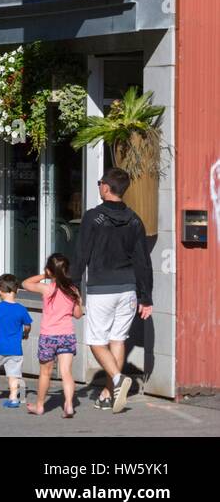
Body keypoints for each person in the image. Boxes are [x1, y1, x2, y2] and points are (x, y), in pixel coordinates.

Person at [71, 167, 153, 414]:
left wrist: (73, 287)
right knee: (117, 340)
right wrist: (145, 296)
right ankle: (108, 394)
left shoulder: (92, 217)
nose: (99, 187)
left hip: (101, 288)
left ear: (106, 188)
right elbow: (143, 260)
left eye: (99, 183)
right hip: (127, 289)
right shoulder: (135, 219)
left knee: (96, 342)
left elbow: (81, 254)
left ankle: (118, 380)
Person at [23, 253, 83, 418]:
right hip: (67, 335)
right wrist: (79, 301)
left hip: (48, 336)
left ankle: (40, 406)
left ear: (50, 271)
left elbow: (25, 283)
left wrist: (45, 275)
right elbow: (78, 315)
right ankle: (69, 405)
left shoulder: (47, 288)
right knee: (66, 372)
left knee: (45, 373)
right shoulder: (73, 290)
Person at [0, 274, 32, 408]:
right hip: (15, 349)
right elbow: (27, 326)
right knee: (13, 374)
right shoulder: (21, 309)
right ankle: (14, 398)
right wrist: (25, 334)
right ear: (18, 290)